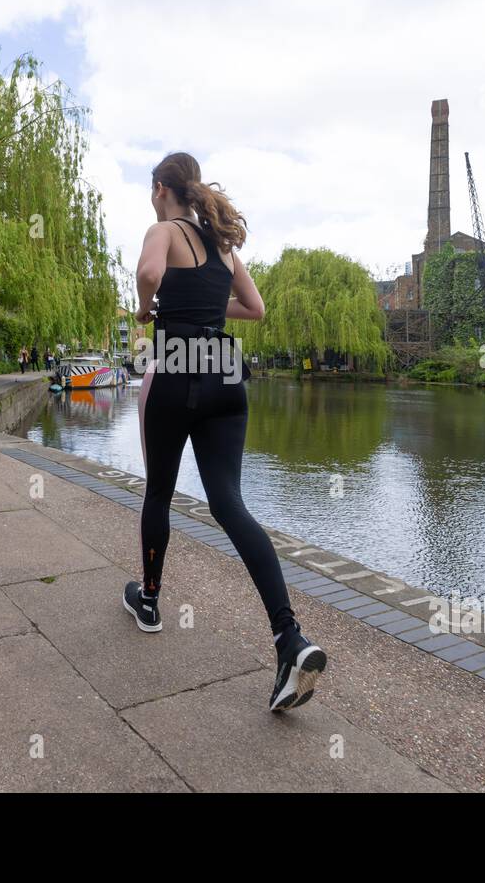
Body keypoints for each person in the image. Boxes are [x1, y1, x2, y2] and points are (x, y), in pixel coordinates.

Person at [126, 151, 326, 712]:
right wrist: (209, 305)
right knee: (230, 505)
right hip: (225, 376)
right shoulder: (223, 245)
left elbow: (147, 274)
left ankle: (149, 601)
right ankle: (289, 638)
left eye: (152, 190)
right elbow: (255, 308)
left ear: (163, 187)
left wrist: (149, 309)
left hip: (177, 370)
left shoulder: (162, 230)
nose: (152, 200)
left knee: (159, 491)